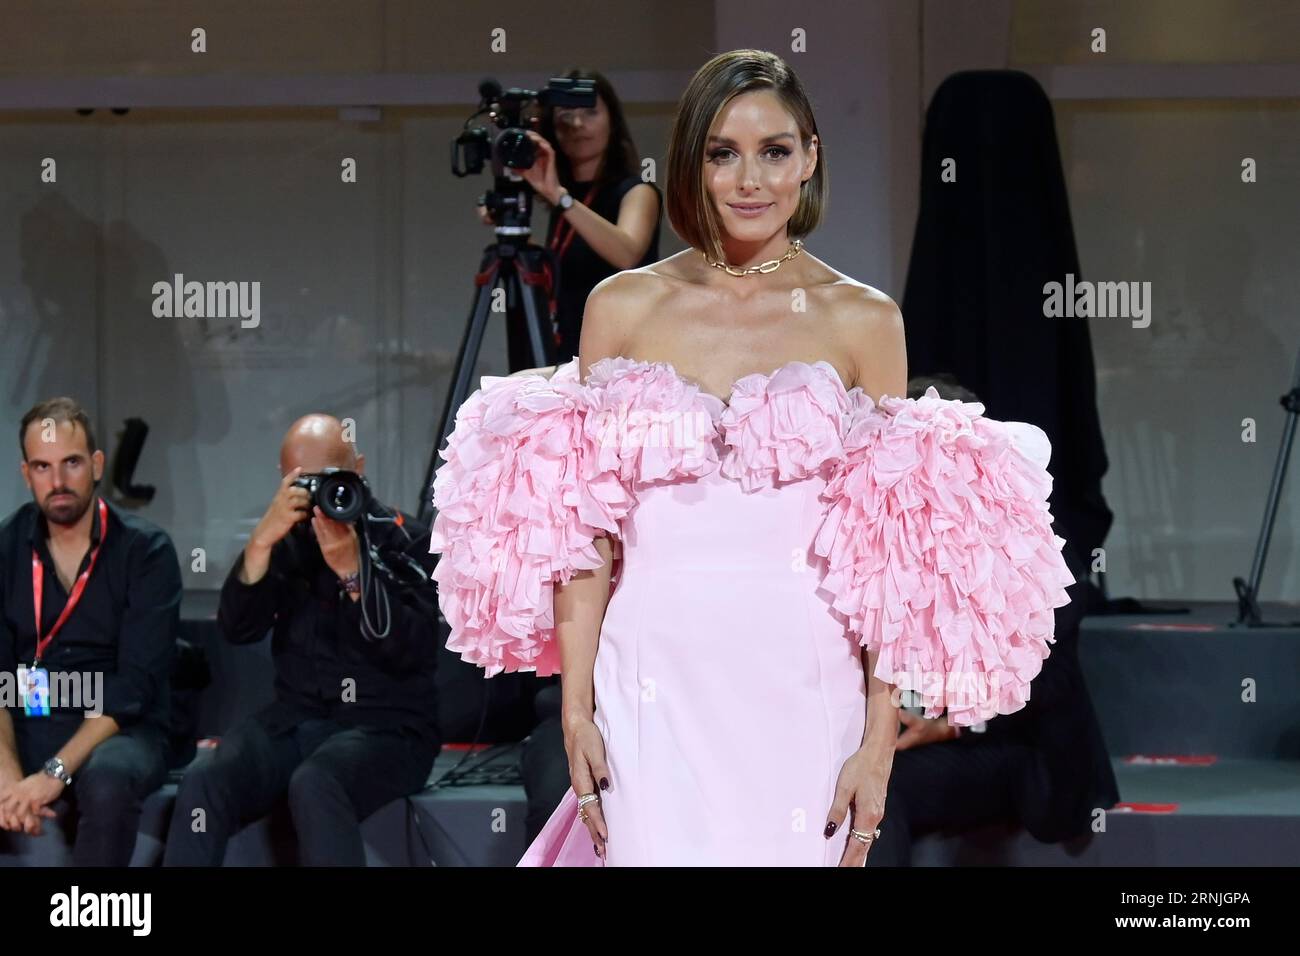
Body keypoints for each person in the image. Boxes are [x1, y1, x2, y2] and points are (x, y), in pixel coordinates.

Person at [430, 50, 1076, 866]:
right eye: (722, 152)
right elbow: (583, 533)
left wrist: (879, 745)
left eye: (775, 151)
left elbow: (886, 551)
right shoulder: (621, 306)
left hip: (807, 688)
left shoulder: (864, 320)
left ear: (810, 157)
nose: (750, 179)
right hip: (649, 677)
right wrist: (575, 709)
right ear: (692, 163)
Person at [861, 375, 1120, 866]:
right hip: (896, 734)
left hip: (1011, 746)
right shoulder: (875, 536)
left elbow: (1050, 683)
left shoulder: (1033, 543)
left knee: (884, 789)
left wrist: (949, 726)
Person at [163, 415, 441, 866]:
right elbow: (238, 629)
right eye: (303, 481)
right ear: (284, 481)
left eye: (332, 478)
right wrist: (258, 545)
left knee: (316, 782)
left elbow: (413, 650)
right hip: (295, 721)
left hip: (390, 727)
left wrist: (354, 572)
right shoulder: (285, 542)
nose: (321, 494)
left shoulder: (405, 537)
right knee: (203, 780)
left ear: (359, 468)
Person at [0, 397, 180, 865]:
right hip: (31, 715)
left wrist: (54, 772)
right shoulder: (5, 547)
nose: (57, 482)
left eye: (71, 463)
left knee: (108, 778)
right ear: (26, 474)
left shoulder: (147, 552)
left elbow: (133, 688)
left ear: (97, 465)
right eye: (42, 466)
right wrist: (8, 779)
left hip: (119, 730)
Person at [479, 68, 663, 369]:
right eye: (566, 114)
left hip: (620, 363)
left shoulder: (636, 191)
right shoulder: (566, 200)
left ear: (612, 122)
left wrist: (560, 197)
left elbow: (626, 253)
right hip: (566, 353)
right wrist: (512, 230)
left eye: (591, 113)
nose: (577, 124)